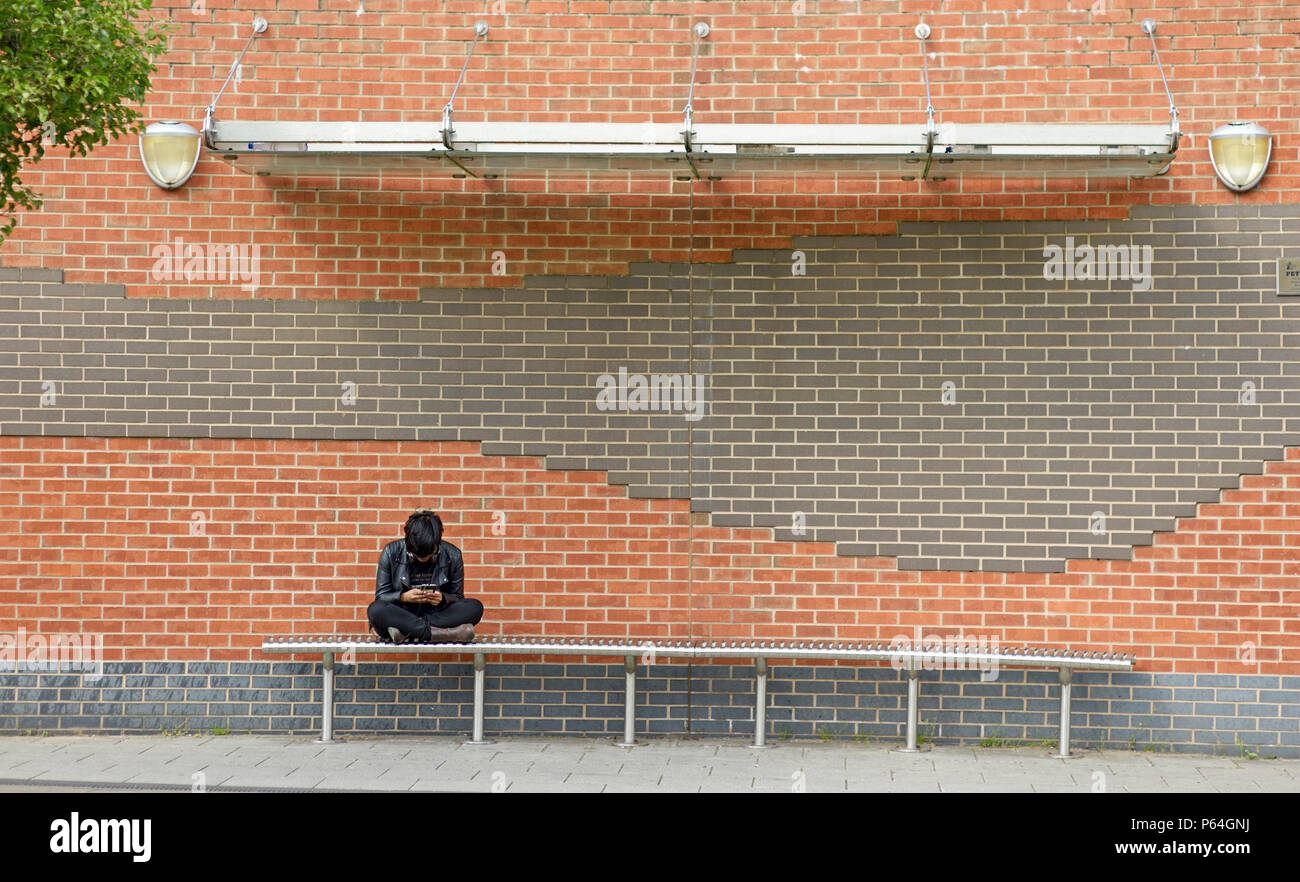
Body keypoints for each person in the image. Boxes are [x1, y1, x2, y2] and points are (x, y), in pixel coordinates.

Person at [367, 510, 483, 644]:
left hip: (434, 615)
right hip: (402, 614)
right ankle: (442, 633)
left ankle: (407, 631)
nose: (423, 558)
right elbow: (381, 597)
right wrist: (403, 597)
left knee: (475, 607)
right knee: (375, 610)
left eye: (429, 554)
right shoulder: (391, 552)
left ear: (437, 543)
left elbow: (457, 597)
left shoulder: (453, 555)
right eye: (417, 554)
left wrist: (443, 598)